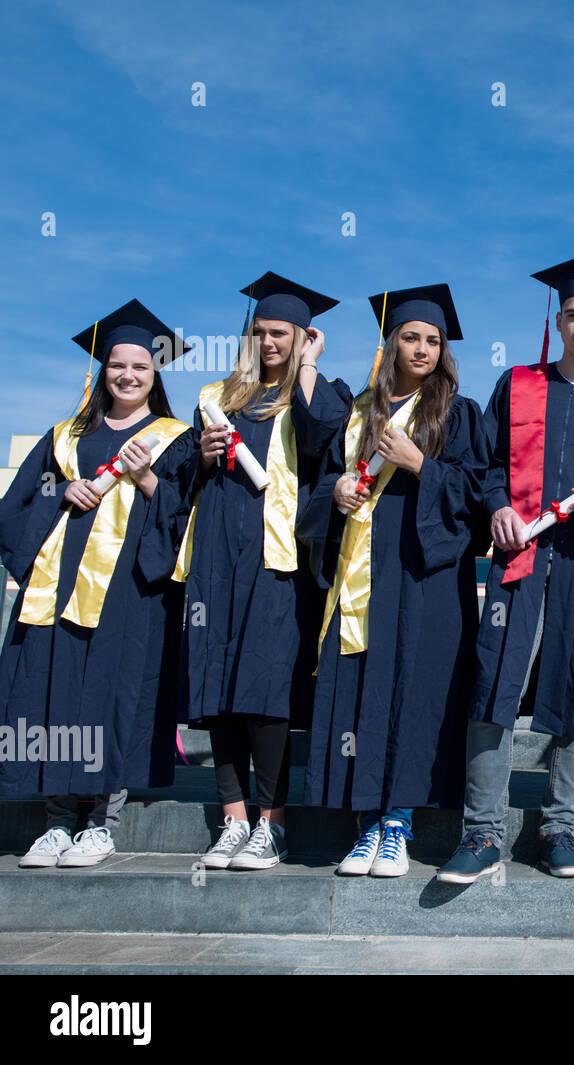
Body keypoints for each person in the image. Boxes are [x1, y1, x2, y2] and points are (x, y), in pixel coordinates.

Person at [436, 253, 574, 884]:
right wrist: (497, 504)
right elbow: (488, 464)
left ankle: (559, 825)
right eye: (573, 315)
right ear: (559, 321)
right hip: (519, 559)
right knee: (492, 688)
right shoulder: (517, 384)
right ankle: (482, 832)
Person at [302, 284, 489, 878]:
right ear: (389, 344)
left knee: (415, 689)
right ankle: (364, 825)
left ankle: (398, 822)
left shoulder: (457, 414)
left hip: (424, 578)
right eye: (411, 337)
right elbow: (317, 488)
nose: (423, 348)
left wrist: (419, 465)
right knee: (362, 688)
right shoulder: (357, 414)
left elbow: (477, 499)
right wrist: (333, 492)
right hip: (361, 573)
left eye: (433, 341)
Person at [1, 300, 196, 867]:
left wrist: (146, 478)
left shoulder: (174, 439)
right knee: (54, 696)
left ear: (155, 374)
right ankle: (58, 821)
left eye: (140, 366)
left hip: (131, 595)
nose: (128, 375)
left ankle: (103, 825)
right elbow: (15, 508)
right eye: (118, 365)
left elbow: (187, 518)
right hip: (57, 591)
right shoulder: (64, 438)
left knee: (116, 698)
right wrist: (58, 494)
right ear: (102, 371)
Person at [177, 272, 350, 871]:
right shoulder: (216, 397)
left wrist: (308, 365)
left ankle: (272, 824)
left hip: (280, 562)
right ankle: (233, 818)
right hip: (217, 557)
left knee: (267, 685)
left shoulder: (319, 392)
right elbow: (183, 479)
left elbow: (327, 435)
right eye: (261, 332)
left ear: (303, 336)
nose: (270, 341)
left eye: (283, 333)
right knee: (219, 687)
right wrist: (199, 455)